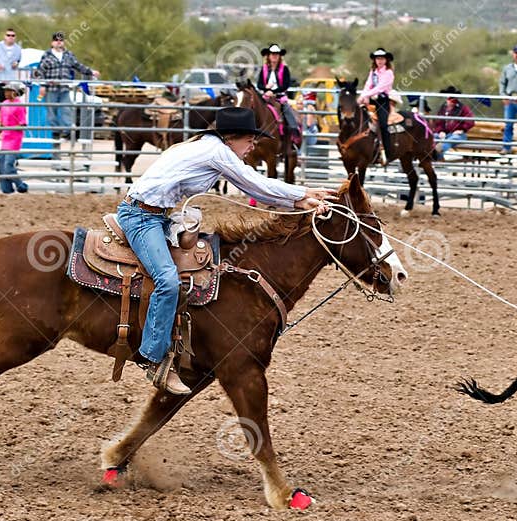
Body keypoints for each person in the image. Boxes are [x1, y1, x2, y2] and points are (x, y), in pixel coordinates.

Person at [119, 106, 335, 394]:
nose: (253, 147)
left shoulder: (208, 147)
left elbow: (254, 187)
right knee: (168, 281)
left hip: (155, 216)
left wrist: (301, 199)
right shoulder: (216, 152)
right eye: (250, 140)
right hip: (142, 217)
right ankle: (154, 358)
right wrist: (303, 195)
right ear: (231, 138)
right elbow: (254, 183)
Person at [32, 32, 100, 141]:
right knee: (51, 111)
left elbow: (78, 66)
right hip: (51, 88)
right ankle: (55, 131)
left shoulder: (69, 55)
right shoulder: (47, 55)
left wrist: (91, 72)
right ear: (52, 43)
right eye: (56, 40)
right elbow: (40, 71)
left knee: (66, 109)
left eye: (61, 40)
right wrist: (43, 85)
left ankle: (67, 131)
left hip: (64, 88)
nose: (59, 42)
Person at [256, 43, 301, 148]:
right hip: (266, 96)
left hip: (280, 97)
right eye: (272, 54)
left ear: (279, 56)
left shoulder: (284, 69)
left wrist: (274, 91)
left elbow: (285, 85)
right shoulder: (264, 69)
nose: (274, 56)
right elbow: (259, 84)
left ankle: (294, 134)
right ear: (268, 56)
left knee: (287, 111)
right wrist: (266, 88)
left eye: (276, 54)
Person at [358, 47, 395, 166]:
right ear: (375, 60)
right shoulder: (373, 72)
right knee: (358, 117)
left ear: (386, 60)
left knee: (383, 124)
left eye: (382, 59)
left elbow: (380, 88)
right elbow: (368, 84)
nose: (380, 61)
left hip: (382, 101)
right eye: (378, 58)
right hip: (372, 99)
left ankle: (387, 153)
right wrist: (363, 96)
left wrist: (366, 95)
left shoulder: (388, 73)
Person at [0, 81, 29, 194]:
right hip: (5, 139)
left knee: (8, 166)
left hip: (14, 139)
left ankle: (21, 186)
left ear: (15, 92)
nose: (6, 93)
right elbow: (2, 124)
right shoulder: (4, 104)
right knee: (1, 167)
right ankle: (6, 190)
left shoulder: (20, 105)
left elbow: (23, 124)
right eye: (6, 91)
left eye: (9, 90)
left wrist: (9, 127)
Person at [0, 28, 22, 123]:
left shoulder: (18, 49)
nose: (10, 37)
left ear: (15, 37)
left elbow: (18, 61)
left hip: (10, 81)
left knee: (10, 104)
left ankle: (8, 124)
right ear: (4, 36)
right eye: (8, 35)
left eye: (13, 35)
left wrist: (16, 64)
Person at [432, 86, 475, 158]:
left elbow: (470, 121)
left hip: (458, 134)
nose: (450, 101)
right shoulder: (443, 108)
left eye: (453, 98)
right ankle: (435, 156)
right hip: (445, 133)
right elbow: (438, 122)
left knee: (453, 139)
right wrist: (440, 131)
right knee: (434, 136)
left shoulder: (463, 108)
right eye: (449, 98)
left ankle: (439, 150)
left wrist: (462, 130)